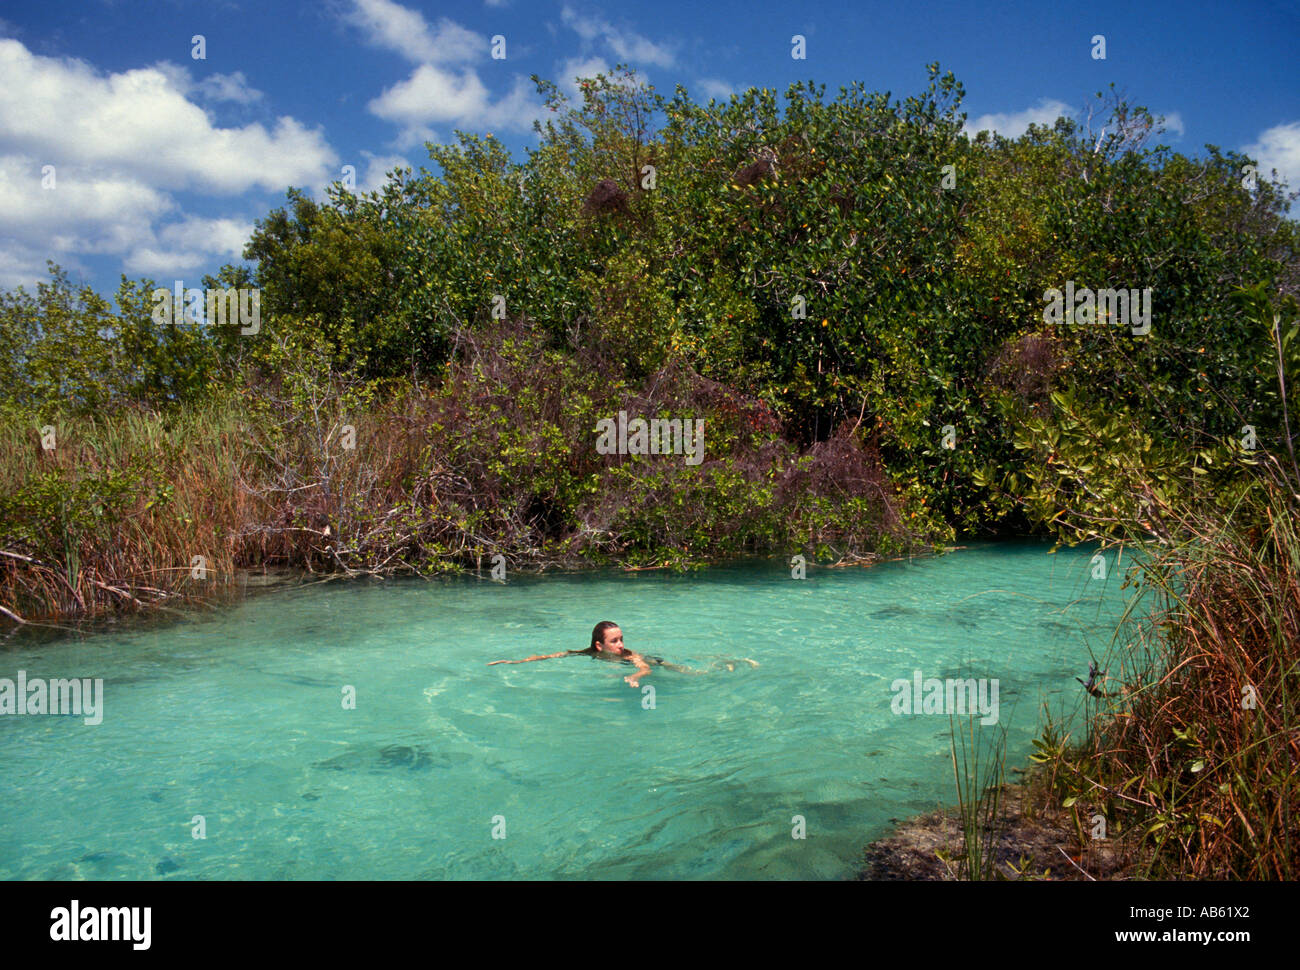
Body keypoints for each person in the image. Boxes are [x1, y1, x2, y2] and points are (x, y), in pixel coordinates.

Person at [487, 621, 672, 688]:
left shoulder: (628, 655)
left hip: (654, 661)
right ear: (599, 646)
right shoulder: (588, 653)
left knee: (674, 668)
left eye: (621, 639)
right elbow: (553, 655)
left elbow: (645, 668)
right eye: (614, 641)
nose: (621, 645)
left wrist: (635, 675)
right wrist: (514, 662)